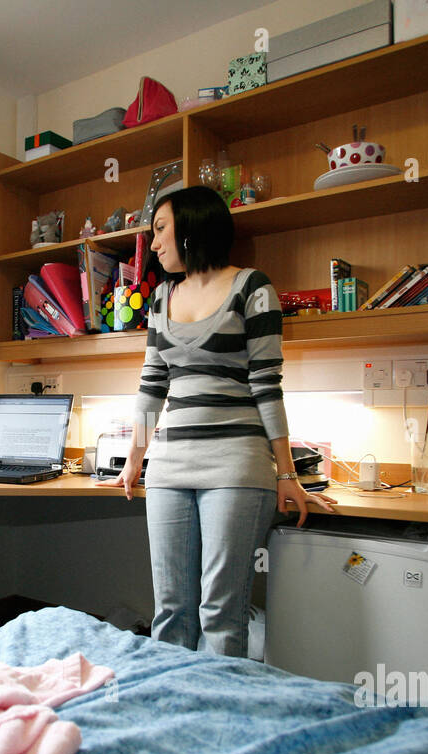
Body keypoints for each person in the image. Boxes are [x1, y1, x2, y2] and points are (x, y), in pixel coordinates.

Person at [101, 186, 335, 657]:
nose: (156, 244)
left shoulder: (252, 287)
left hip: (235, 466)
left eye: (162, 230)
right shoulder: (162, 297)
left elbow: (267, 384)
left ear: (192, 227)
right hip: (168, 468)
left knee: (220, 612)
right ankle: (172, 712)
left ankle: (222, 719)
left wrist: (286, 474)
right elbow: (152, 386)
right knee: (171, 609)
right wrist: (134, 461)